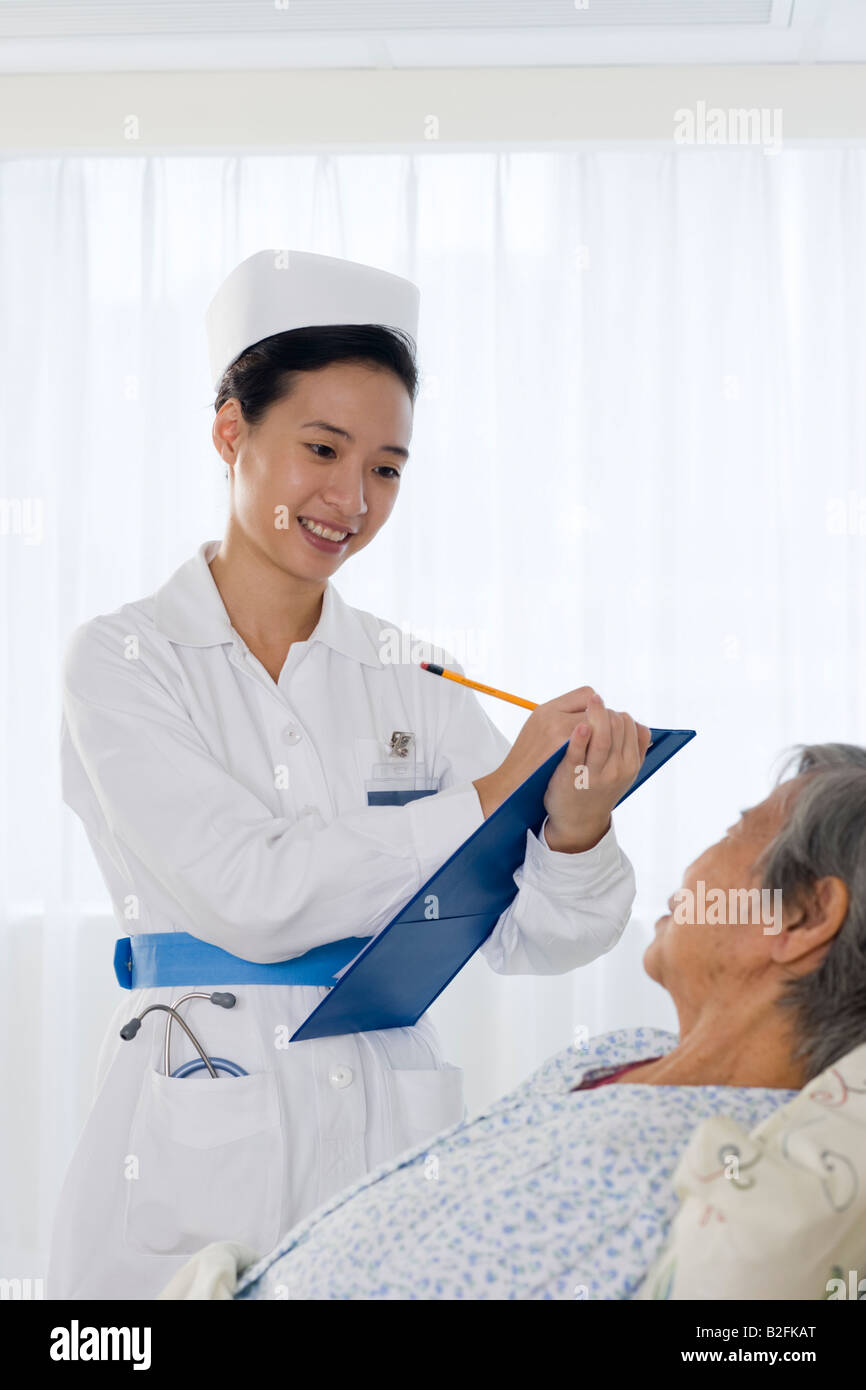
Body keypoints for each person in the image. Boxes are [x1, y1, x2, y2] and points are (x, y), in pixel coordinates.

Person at [47, 248, 650, 1300]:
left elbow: (535, 936)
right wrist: (483, 795)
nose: (350, 498)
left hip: (383, 1130)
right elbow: (251, 891)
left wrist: (569, 828)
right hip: (190, 1117)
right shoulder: (121, 660)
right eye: (320, 449)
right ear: (231, 432)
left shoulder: (412, 674)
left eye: (385, 468)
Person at [224, 743, 866, 1302]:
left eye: (735, 832)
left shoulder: (682, 1176)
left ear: (803, 917)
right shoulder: (621, 1055)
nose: (698, 860)